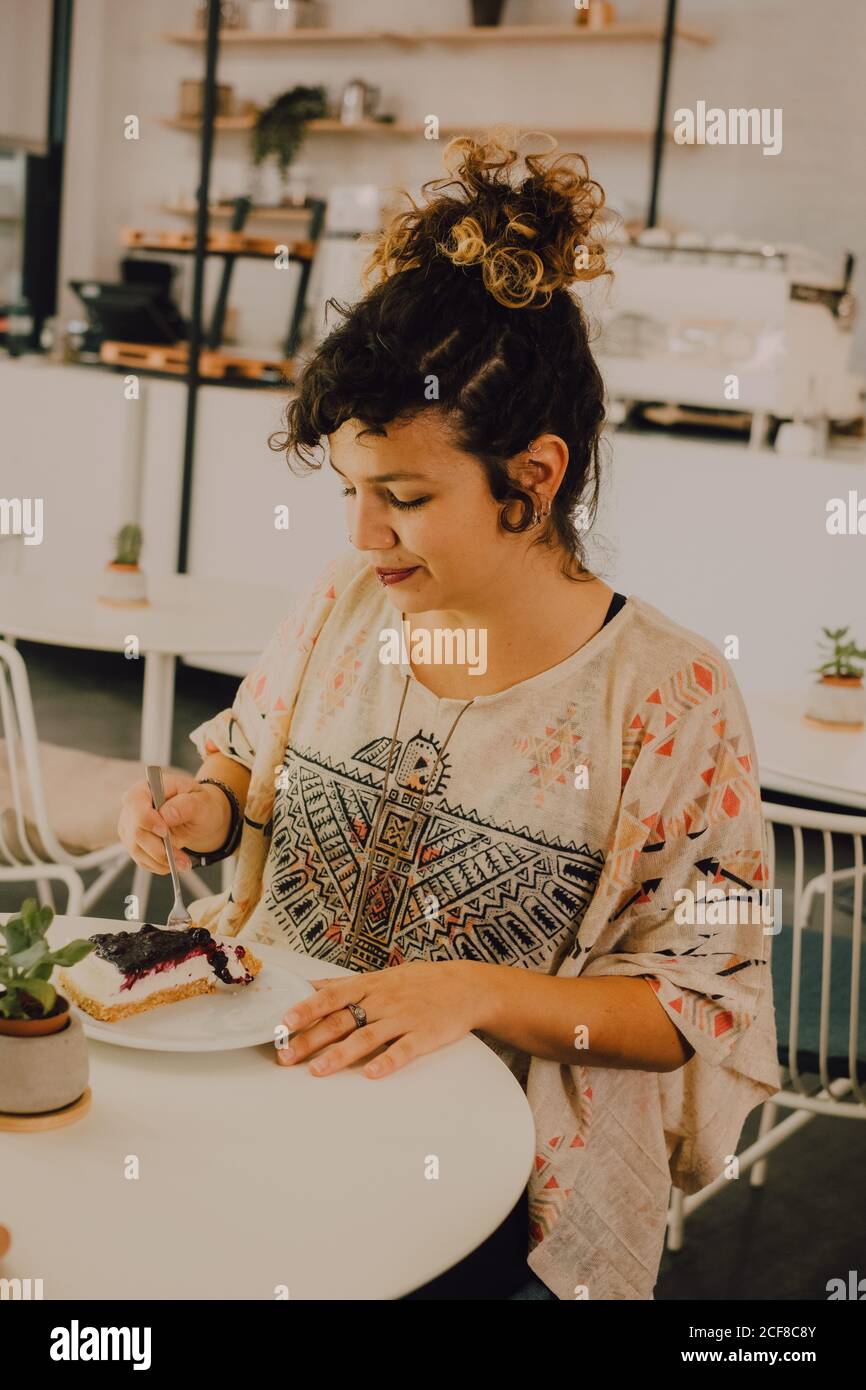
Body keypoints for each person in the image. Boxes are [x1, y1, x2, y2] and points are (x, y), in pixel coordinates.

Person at [118, 128, 781, 1301]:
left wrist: (475, 991)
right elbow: (246, 777)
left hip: (485, 1197)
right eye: (349, 492)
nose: (361, 537)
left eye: (404, 498)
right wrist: (205, 810)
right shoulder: (342, 601)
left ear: (532, 476)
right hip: (258, 1121)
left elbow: (697, 1006)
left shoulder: (668, 695)